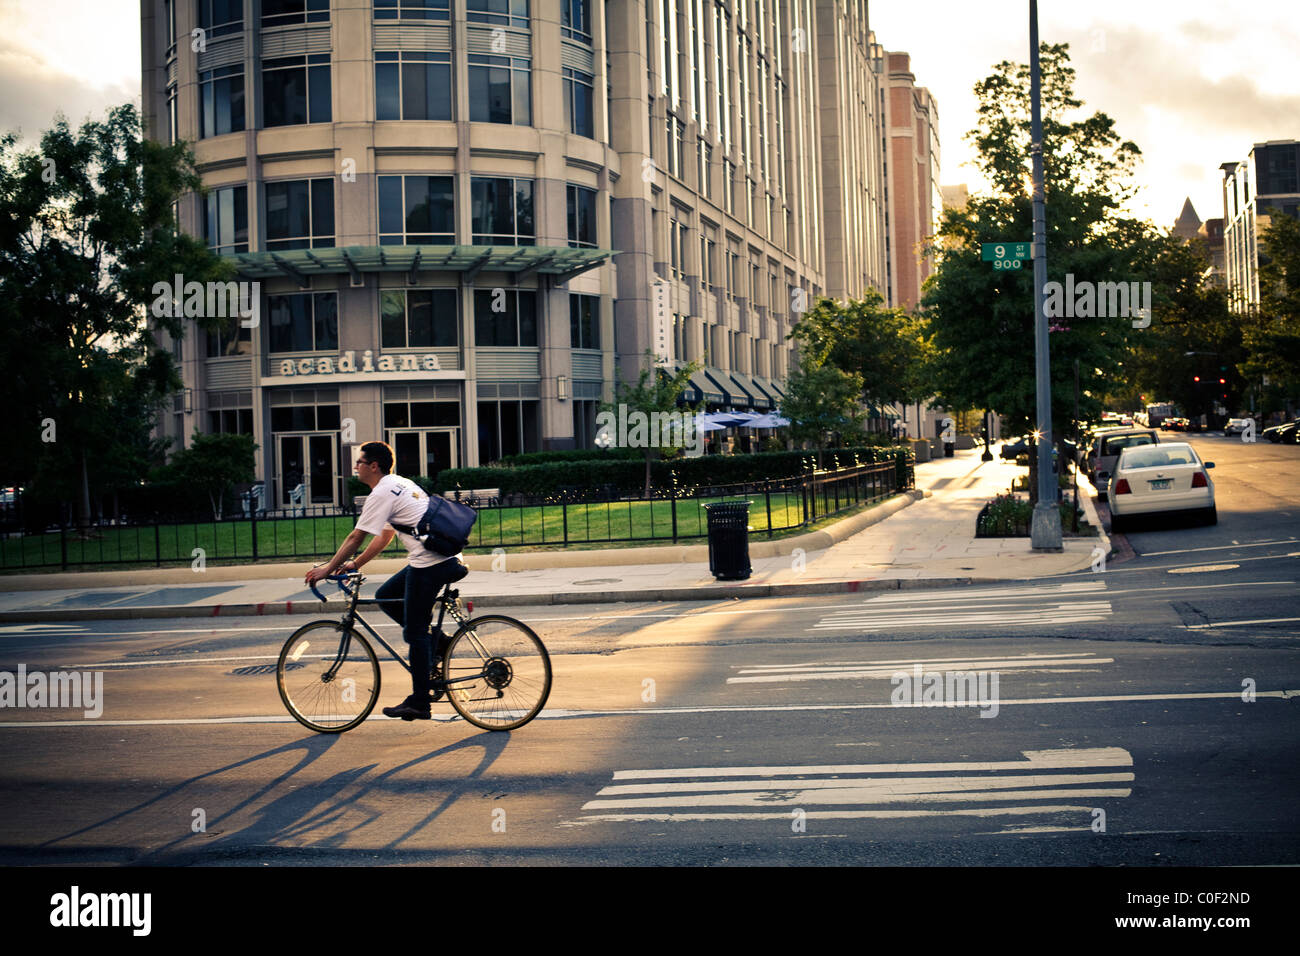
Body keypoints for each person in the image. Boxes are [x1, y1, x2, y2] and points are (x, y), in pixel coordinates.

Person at [305, 440, 467, 720]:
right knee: (386, 596)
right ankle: (439, 643)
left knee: (415, 634)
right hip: (442, 558)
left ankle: (419, 702)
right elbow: (385, 535)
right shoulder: (399, 483)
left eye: (359, 462)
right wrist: (354, 564)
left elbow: (357, 536)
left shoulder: (381, 492)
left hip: (430, 563)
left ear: (373, 466)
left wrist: (327, 569)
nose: (355, 466)